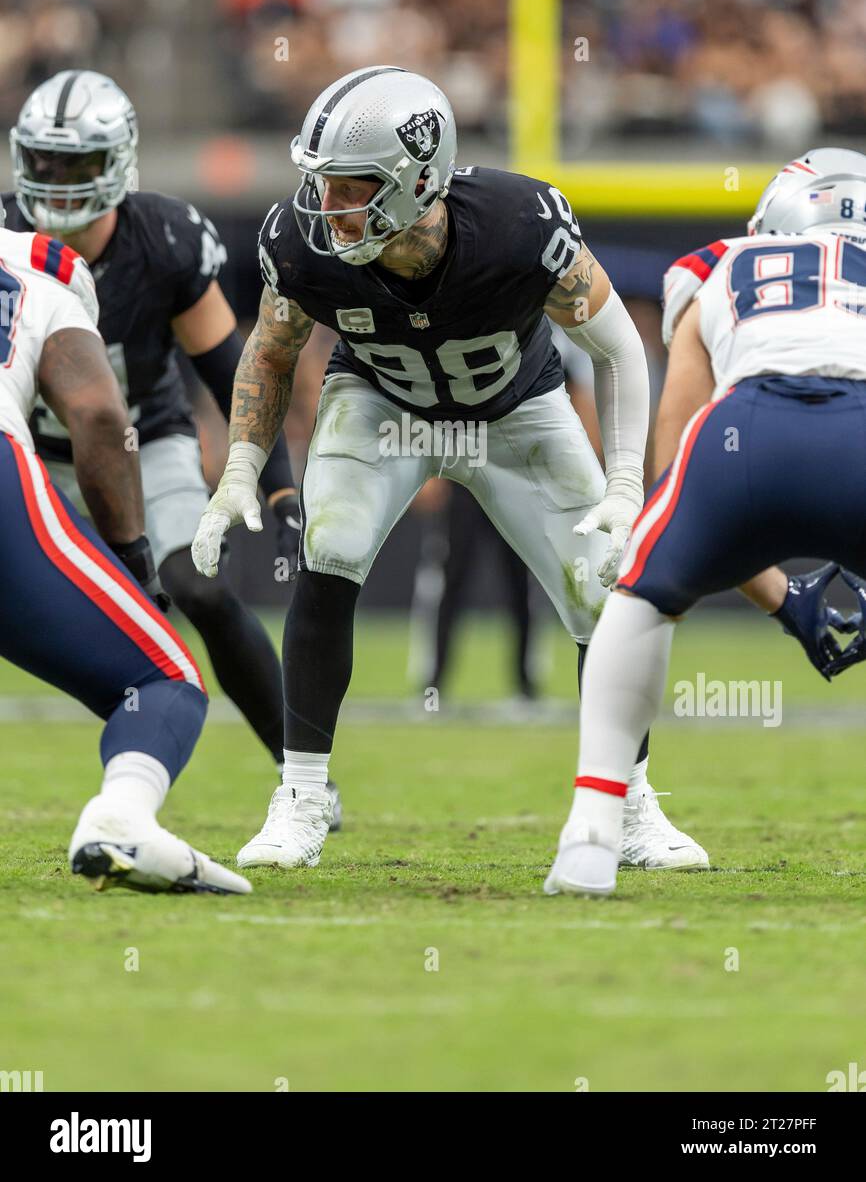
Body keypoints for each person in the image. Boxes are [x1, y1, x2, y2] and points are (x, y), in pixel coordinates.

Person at [192, 65, 707, 873]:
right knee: (329, 554)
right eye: (320, 186)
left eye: (351, 187)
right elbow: (272, 346)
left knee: (600, 591)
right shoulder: (301, 242)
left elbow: (616, 349)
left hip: (517, 411)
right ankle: (301, 794)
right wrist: (240, 469)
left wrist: (623, 484)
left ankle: (628, 801)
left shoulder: (515, 224)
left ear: (416, 179)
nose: (326, 209)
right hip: (380, 401)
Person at [5, 68, 341, 828]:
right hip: (25, 443)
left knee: (199, 589)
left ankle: (303, 777)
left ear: (119, 164)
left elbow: (233, 373)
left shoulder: (164, 240)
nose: (57, 184)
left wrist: (278, 486)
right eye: (45, 163)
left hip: (138, 440)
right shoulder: (6, 235)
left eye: (77, 165)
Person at [546, 147, 866, 897]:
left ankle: (593, 830)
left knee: (638, 597)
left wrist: (785, 600)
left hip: (746, 431)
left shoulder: (722, 265)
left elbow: (678, 441)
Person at [0, 199, 248, 894]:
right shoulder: (45, 277)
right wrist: (130, 554)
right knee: (162, 676)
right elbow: (98, 414)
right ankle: (121, 817)